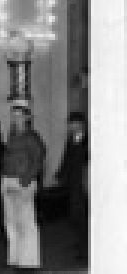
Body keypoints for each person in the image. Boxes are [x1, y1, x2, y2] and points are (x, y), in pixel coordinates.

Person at [0, 109, 46, 271]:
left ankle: (29, 261)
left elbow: (38, 159)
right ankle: (15, 258)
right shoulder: (11, 135)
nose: (15, 118)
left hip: (22, 181)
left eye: (19, 116)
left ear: (27, 118)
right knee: (10, 222)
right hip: (8, 180)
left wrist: (27, 179)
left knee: (26, 222)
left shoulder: (32, 137)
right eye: (13, 115)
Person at [55, 112, 90, 261]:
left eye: (72, 123)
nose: (70, 126)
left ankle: (85, 250)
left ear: (81, 124)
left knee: (82, 216)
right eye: (69, 124)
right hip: (74, 183)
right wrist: (60, 175)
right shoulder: (71, 139)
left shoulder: (90, 140)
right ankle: (82, 242)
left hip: (85, 183)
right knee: (75, 216)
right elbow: (67, 158)